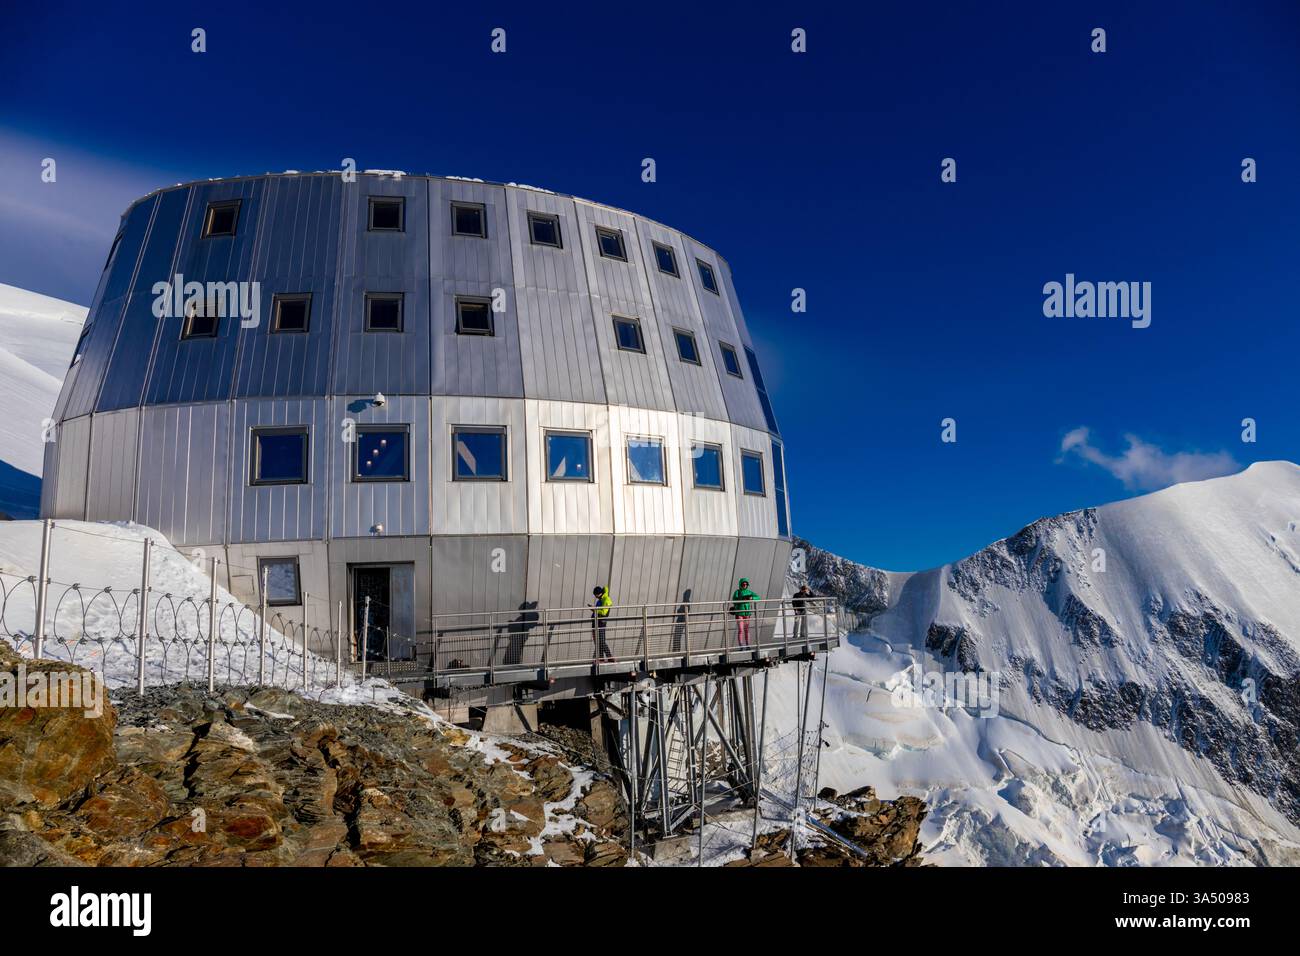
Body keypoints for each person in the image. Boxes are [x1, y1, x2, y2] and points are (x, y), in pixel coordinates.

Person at [730, 578, 760, 647]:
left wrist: (752, 598)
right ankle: (741, 645)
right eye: (743, 584)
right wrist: (742, 599)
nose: (744, 585)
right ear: (741, 584)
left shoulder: (749, 592)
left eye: (746, 584)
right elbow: (734, 600)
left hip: (747, 613)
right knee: (741, 629)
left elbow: (758, 597)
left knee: (746, 629)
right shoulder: (737, 592)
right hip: (739, 613)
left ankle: (747, 645)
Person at [591, 585, 613, 661]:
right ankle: (601, 658)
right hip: (596, 622)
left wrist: (594, 609)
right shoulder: (600, 600)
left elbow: (603, 612)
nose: (595, 597)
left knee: (601, 641)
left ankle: (610, 657)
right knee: (598, 642)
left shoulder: (606, 599)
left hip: (601, 623)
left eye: (595, 595)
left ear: (598, 594)